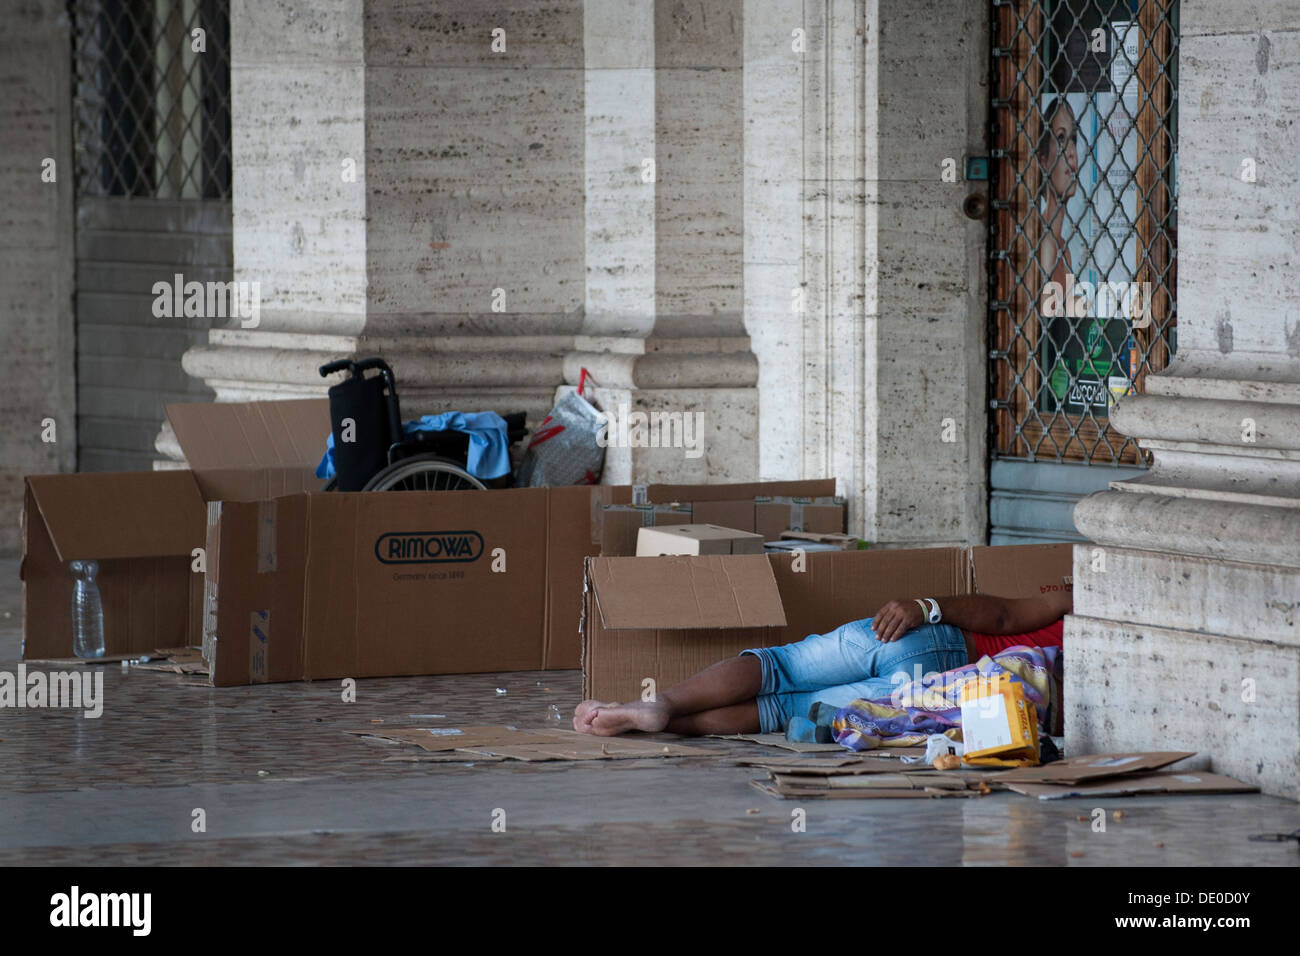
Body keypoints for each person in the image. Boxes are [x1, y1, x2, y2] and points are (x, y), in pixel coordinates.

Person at [573, 590, 1071, 738]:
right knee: (783, 711)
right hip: (945, 694)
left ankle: (658, 705)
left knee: (779, 666)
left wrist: (927, 606)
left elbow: (1005, 615)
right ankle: (661, 725)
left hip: (928, 639)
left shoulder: (1084, 596)